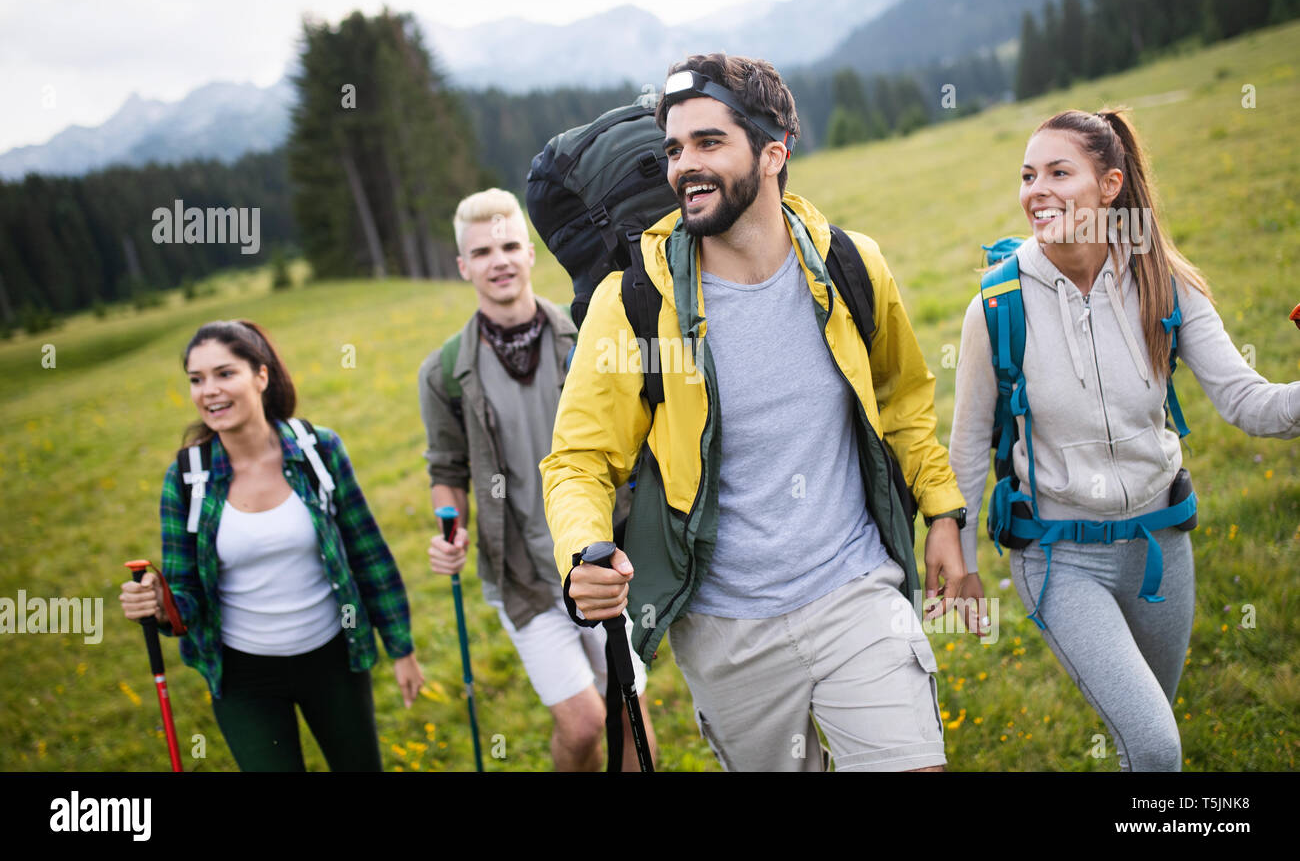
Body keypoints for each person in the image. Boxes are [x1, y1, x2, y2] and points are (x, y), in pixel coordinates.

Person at [541, 53, 970, 772]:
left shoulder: (851, 266)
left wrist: (944, 513)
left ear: (775, 152)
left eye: (709, 142)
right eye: (674, 149)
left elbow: (902, 397)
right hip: (726, 631)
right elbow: (580, 460)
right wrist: (583, 550)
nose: (685, 165)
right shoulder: (635, 304)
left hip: (855, 591)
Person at [948, 108, 1300, 771]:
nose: (1036, 191)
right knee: (1157, 747)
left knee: (1143, 740)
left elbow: (1252, 405)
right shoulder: (996, 306)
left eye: (1059, 173)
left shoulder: (1164, 284)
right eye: (1028, 176)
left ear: (1110, 186)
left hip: (1161, 548)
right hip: (1059, 556)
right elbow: (966, 448)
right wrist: (963, 564)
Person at [418, 188, 656, 771]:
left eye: (508, 246)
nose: (497, 261)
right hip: (523, 576)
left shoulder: (587, 336)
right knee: (582, 725)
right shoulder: (443, 372)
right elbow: (447, 469)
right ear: (463, 266)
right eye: (481, 252)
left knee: (632, 717)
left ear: (529, 253)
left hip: (599, 559)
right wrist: (451, 529)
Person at [119, 319, 423, 771]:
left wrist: (401, 648)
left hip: (333, 659)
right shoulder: (186, 478)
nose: (209, 391)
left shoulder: (319, 450)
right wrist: (161, 605)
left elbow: (368, 553)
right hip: (243, 676)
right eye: (196, 380)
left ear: (261, 376)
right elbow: (185, 593)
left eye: (225, 373)